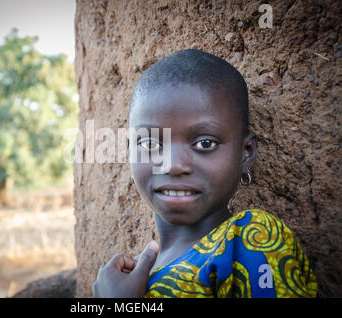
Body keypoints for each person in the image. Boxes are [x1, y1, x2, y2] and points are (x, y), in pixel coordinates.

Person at [93, 49, 317, 298]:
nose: (174, 165)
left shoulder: (248, 239)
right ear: (129, 152)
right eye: (150, 144)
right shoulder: (131, 276)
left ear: (246, 152)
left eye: (205, 143)